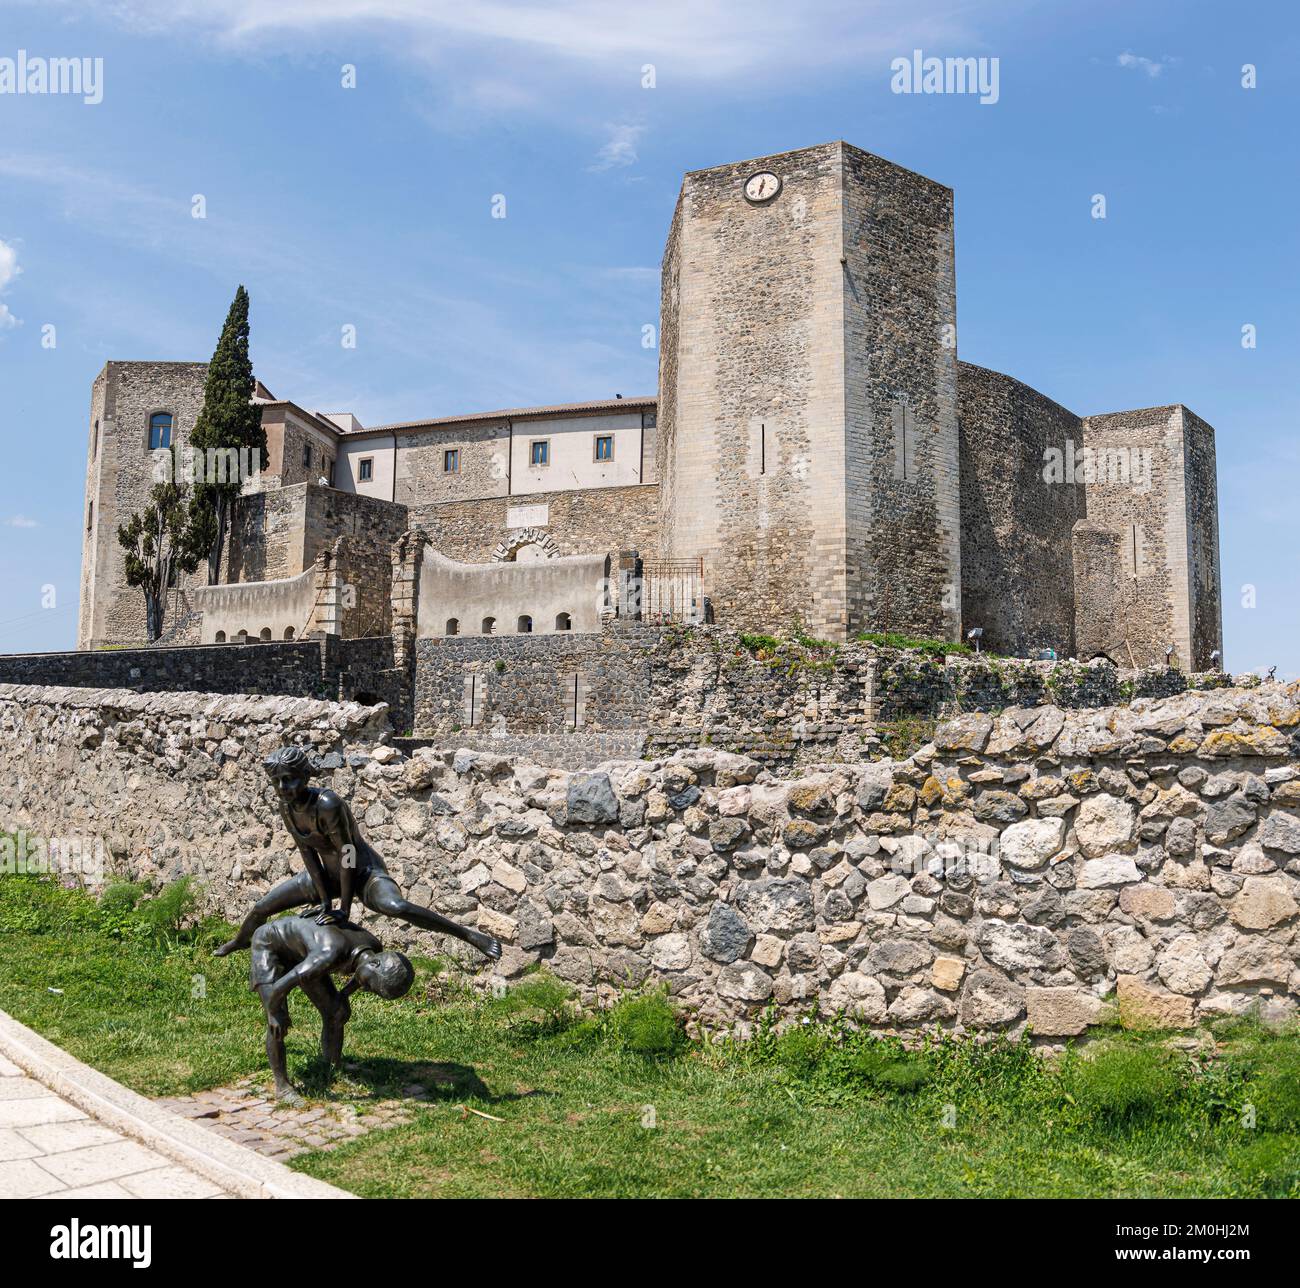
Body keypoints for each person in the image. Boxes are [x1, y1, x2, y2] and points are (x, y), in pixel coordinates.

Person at [215, 744, 501, 962]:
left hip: (363, 873)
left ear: (305, 776)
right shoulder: (286, 807)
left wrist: (344, 909)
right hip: (326, 876)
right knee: (262, 906)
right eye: (276, 781)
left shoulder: (327, 804)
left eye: (289, 779)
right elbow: (308, 855)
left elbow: (348, 853)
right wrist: (325, 900)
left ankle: (468, 935)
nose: (282, 788)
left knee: (396, 907)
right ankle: (241, 940)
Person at [249, 913, 414, 1103]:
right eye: (369, 985)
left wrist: (343, 996)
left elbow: (363, 974)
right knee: (278, 1023)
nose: (365, 989)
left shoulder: (373, 950)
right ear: (375, 963)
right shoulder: (329, 954)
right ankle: (282, 1087)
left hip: (305, 954)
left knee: (337, 1012)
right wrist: (273, 1012)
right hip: (270, 947)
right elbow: (282, 985)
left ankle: (331, 1067)